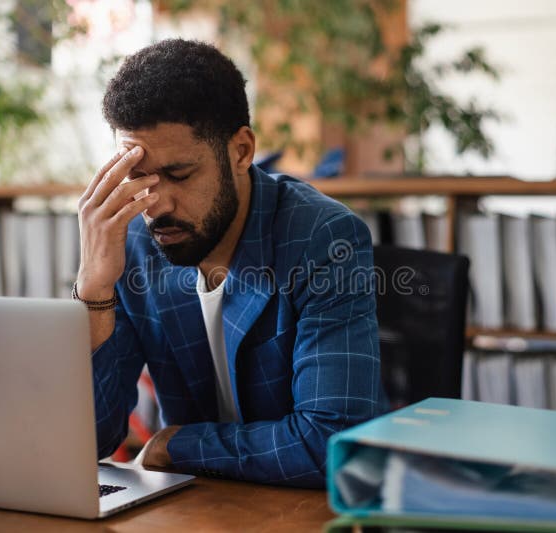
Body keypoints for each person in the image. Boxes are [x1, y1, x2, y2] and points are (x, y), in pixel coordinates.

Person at [75, 38, 385, 489]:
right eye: (137, 176)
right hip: (195, 511)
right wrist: (93, 290)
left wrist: (176, 446)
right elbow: (89, 440)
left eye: (179, 174)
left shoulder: (323, 238)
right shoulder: (134, 244)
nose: (156, 203)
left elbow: (332, 445)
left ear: (241, 151)